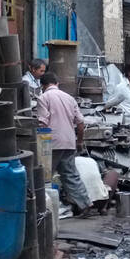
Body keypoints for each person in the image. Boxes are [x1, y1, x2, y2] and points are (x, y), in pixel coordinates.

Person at [38, 71, 95, 218]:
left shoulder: (44, 97)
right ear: (57, 83)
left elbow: (42, 123)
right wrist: (80, 141)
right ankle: (86, 204)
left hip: (51, 143)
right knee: (71, 175)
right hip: (69, 142)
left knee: (44, 178)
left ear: (43, 85)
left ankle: (46, 209)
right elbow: (81, 123)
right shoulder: (69, 98)